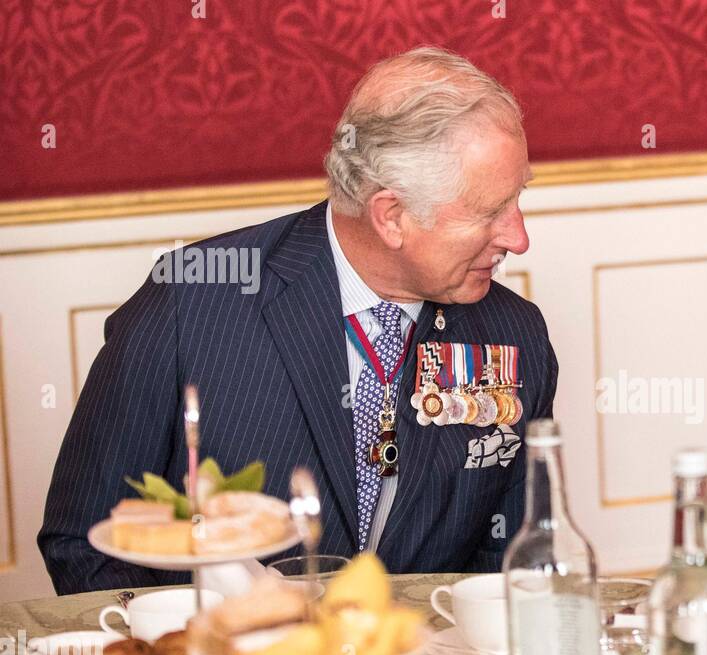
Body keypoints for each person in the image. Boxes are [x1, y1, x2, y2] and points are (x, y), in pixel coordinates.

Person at [39, 46, 557, 595]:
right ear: (392, 215)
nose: (518, 238)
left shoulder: (515, 334)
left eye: (518, 197)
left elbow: (508, 559)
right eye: (488, 212)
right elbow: (83, 540)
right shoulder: (189, 303)